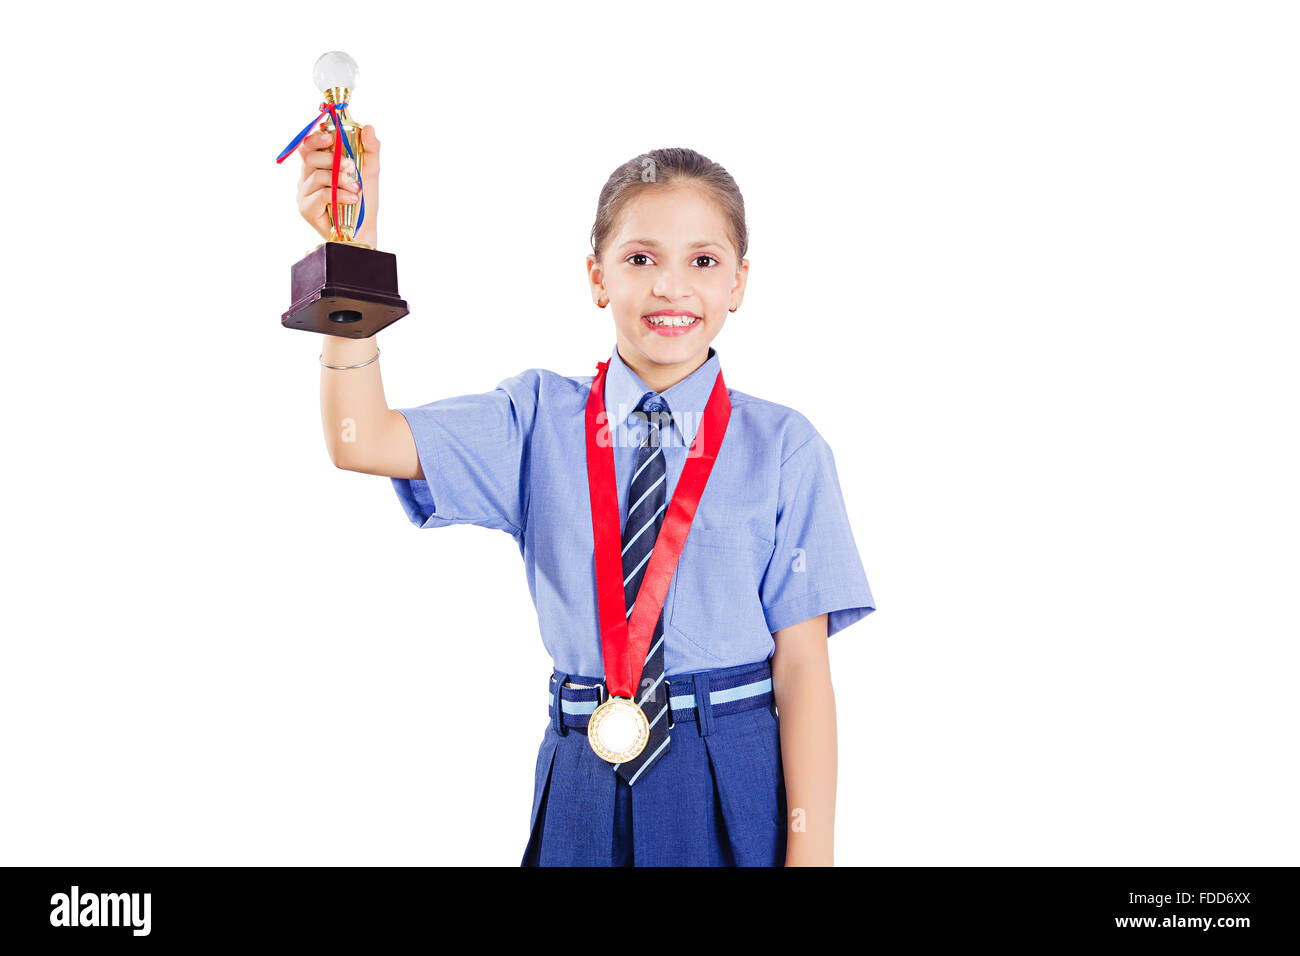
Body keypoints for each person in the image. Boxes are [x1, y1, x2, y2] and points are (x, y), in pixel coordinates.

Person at [296, 127, 877, 866]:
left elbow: (802, 670)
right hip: (583, 773)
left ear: (739, 281)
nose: (671, 286)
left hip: (734, 774)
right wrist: (354, 258)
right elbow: (359, 440)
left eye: (703, 260)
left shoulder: (787, 448)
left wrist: (811, 853)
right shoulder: (535, 419)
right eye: (640, 259)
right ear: (597, 278)